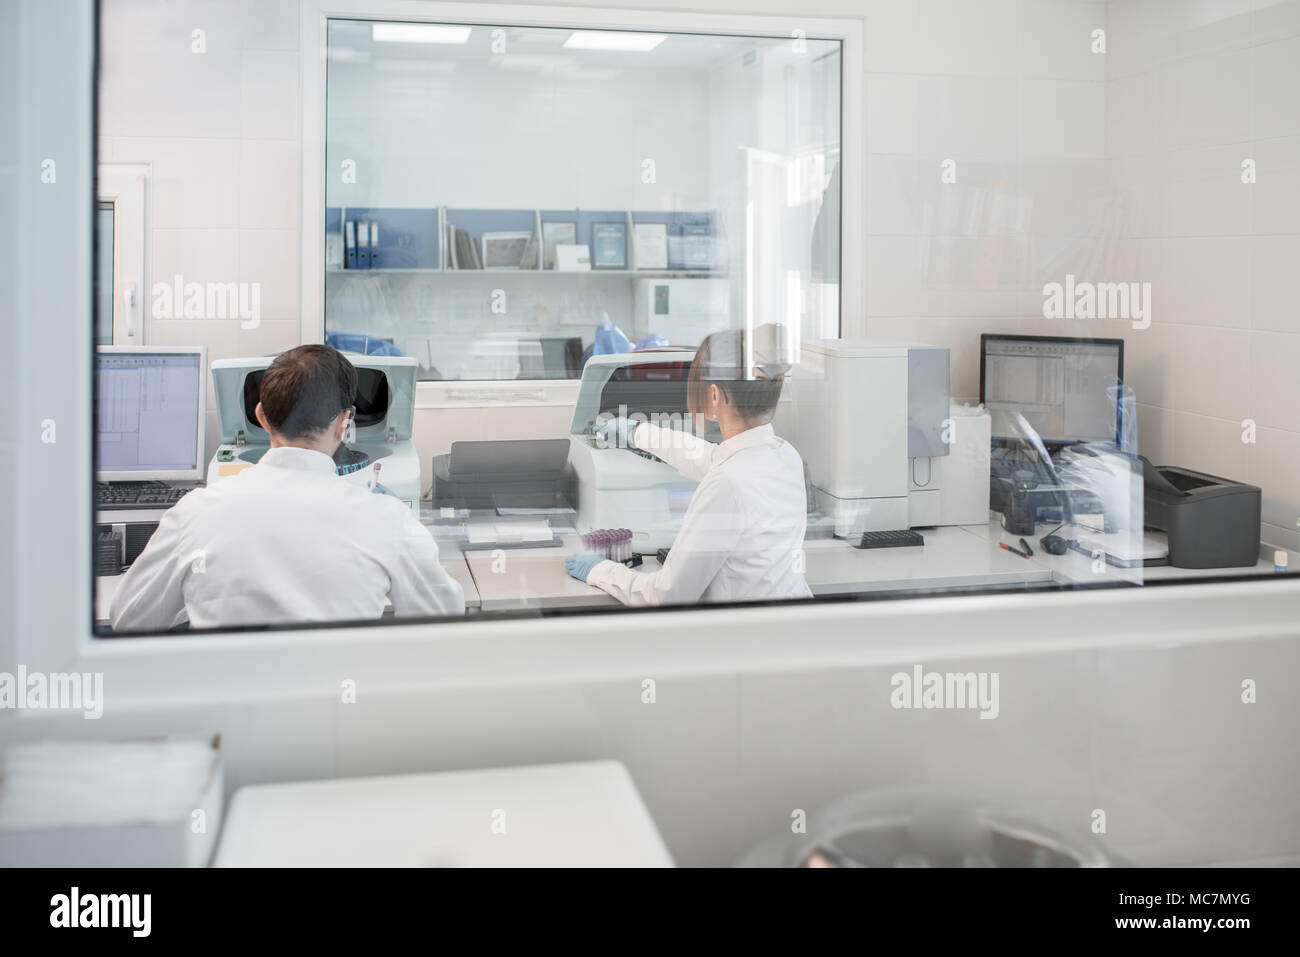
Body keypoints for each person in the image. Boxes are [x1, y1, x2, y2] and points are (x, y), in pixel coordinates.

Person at [110, 345, 465, 631]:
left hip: (227, 719)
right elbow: (444, 615)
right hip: (338, 716)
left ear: (262, 416)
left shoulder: (194, 514)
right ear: (344, 424)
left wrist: (200, 598)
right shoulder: (386, 519)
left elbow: (127, 618)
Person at [565, 324, 812, 606]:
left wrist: (600, 570)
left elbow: (666, 594)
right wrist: (637, 432)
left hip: (745, 636)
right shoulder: (784, 455)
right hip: (792, 622)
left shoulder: (727, 483)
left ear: (716, 395)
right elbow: (707, 457)